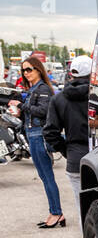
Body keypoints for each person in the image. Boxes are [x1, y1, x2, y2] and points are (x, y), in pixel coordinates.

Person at [9, 57, 63, 228]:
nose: (26, 73)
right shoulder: (33, 89)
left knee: (47, 176)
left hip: (39, 136)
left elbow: (43, 111)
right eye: (23, 70)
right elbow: (33, 113)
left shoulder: (43, 89)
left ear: (38, 69)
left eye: (29, 69)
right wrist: (20, 114)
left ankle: (57, 213)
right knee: (44, 176)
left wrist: (21, 105)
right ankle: (54, 212)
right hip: (32, 135)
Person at [43, 55, 93, 225]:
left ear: (71, 74)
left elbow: (50, 132)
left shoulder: (58, 99)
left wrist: (67, 150)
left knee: (84, 210)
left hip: (76, 159)